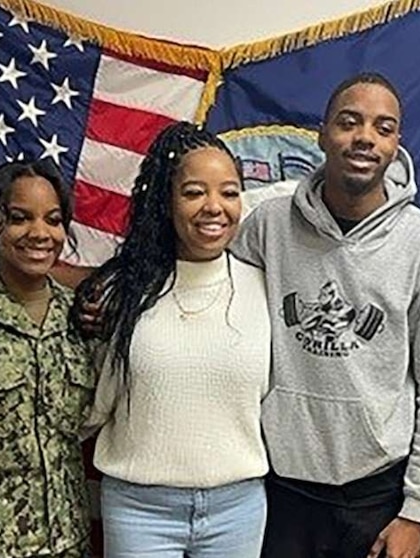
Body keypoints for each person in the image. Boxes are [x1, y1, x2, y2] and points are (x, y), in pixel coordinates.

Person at [230, 73, 420, 558]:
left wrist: (417, 511)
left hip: (377, 495)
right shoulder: (268, 226)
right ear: (322, 133)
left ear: (397, 143)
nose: (365, 138)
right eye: (349, 122)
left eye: (383, 127)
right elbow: (202, 283)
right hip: (281, 491)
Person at [73, 121, 271, 557]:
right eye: (195, 192)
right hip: (139, 508)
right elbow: (92, 402)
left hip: (236, 509)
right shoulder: (124, 291)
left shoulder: (265, 287)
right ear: (166, 201)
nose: (214, 207)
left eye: (229, 192)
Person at [0, 159, 95, 557]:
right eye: (21, 218)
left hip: (67, 540)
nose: (40, 233)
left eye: (53, 220)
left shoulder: (79, 317)